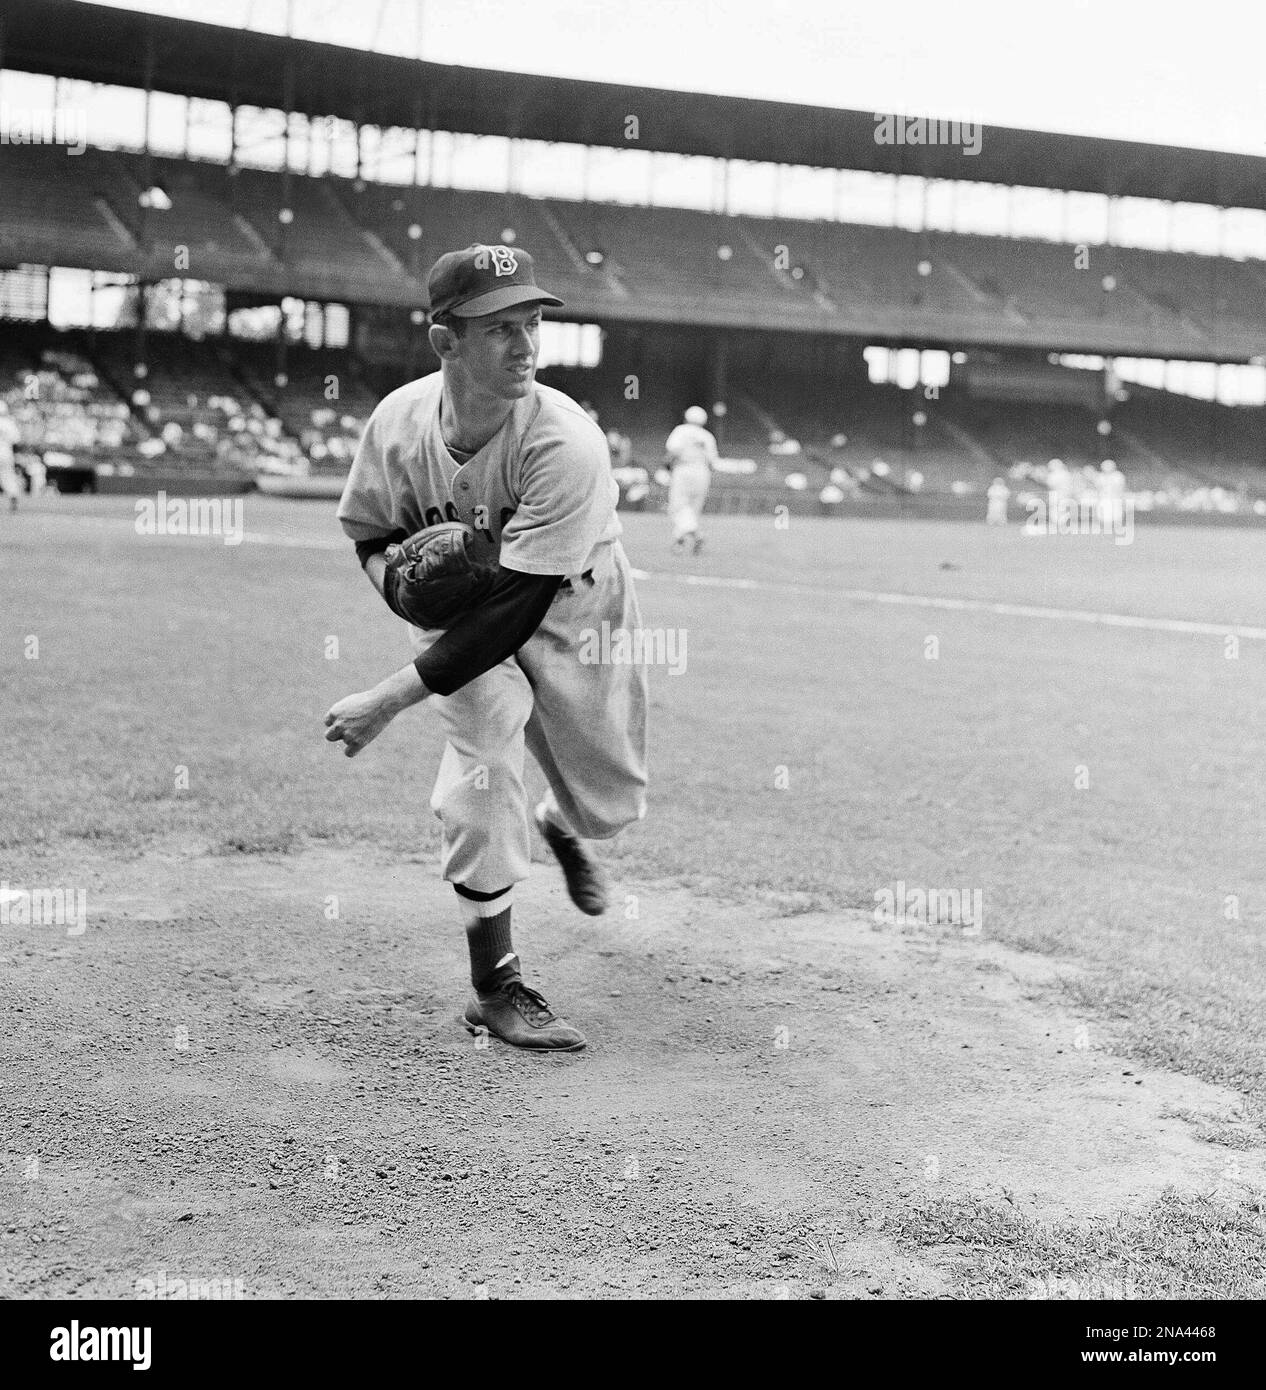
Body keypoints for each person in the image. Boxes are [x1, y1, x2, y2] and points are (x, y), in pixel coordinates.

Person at [325, 244, 648, 1053]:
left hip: (576, 604)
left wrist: (387, 698)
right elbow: (369, 531)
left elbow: (518, 605)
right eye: (500, 326)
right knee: (481, 756)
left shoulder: (565, 443)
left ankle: (559, 820)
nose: (525, 344)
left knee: (611, 804)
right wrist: (397, 585)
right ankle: (495, 984)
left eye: (532, 321)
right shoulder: (397, 424)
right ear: (446, 342)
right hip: (462, 623)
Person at [664, 405, 717, 553]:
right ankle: (679, 543)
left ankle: (696, 533)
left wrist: (666, 465)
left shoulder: (681, 431)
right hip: (703, 472)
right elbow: (713, 462)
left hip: (683, 469)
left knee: (678, 507)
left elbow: (673, 451)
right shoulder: (707, 436)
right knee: (693, 509)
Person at [0, 403, 22, 513]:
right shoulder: (9, 423)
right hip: (5, 453)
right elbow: (16, 440)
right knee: (8, 477)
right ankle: (13, 498)